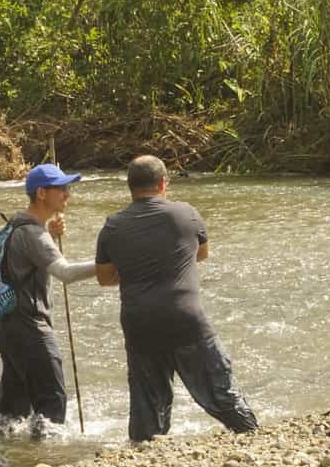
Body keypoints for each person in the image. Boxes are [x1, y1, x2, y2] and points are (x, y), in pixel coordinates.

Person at [95, 155, 258, 442]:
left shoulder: (113, 226)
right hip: (184, 317)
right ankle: (252, 436)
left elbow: (104, 277)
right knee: (221, 391)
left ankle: (144, 451)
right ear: (162, 183)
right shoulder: (185, 213)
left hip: (139, 323)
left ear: (130, 188)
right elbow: (202, 253)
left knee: (148, 404)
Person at [0, 163, 96, 436]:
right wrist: (109, 264)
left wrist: (50, 236)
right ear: (41, 193)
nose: (68, 194)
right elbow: (65, 273)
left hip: (9, 329)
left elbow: (25, 260)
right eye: (61, 188)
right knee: (52, 406)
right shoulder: (33, 233)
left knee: (10, 418)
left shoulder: (18, 224)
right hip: (32, 330)